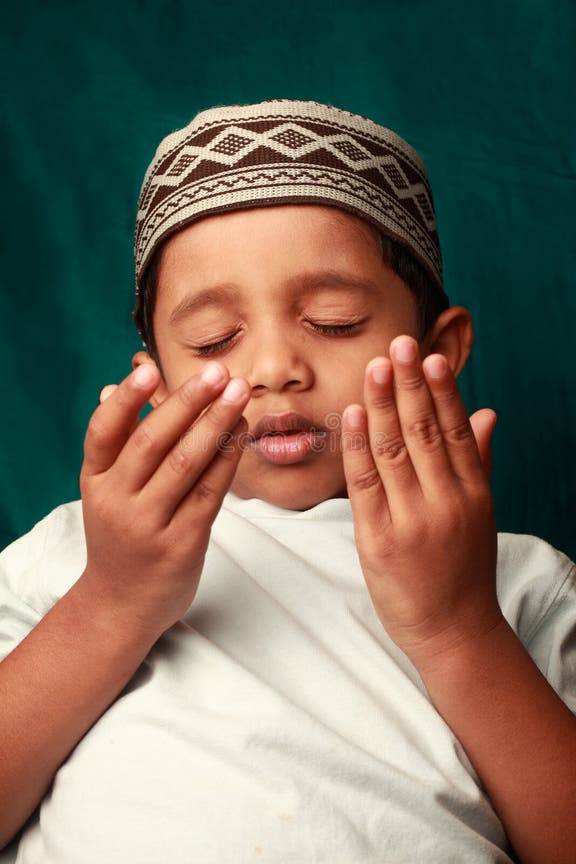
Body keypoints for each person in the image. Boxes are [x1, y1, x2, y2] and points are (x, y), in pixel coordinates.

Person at [0, 99, 574, 864]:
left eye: (333, 321)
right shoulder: (73, 556)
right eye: (212, 339)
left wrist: (457, 627)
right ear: (158, 385)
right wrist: (113, 603)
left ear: (441, 348)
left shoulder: (515, 581)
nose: (274, 368)